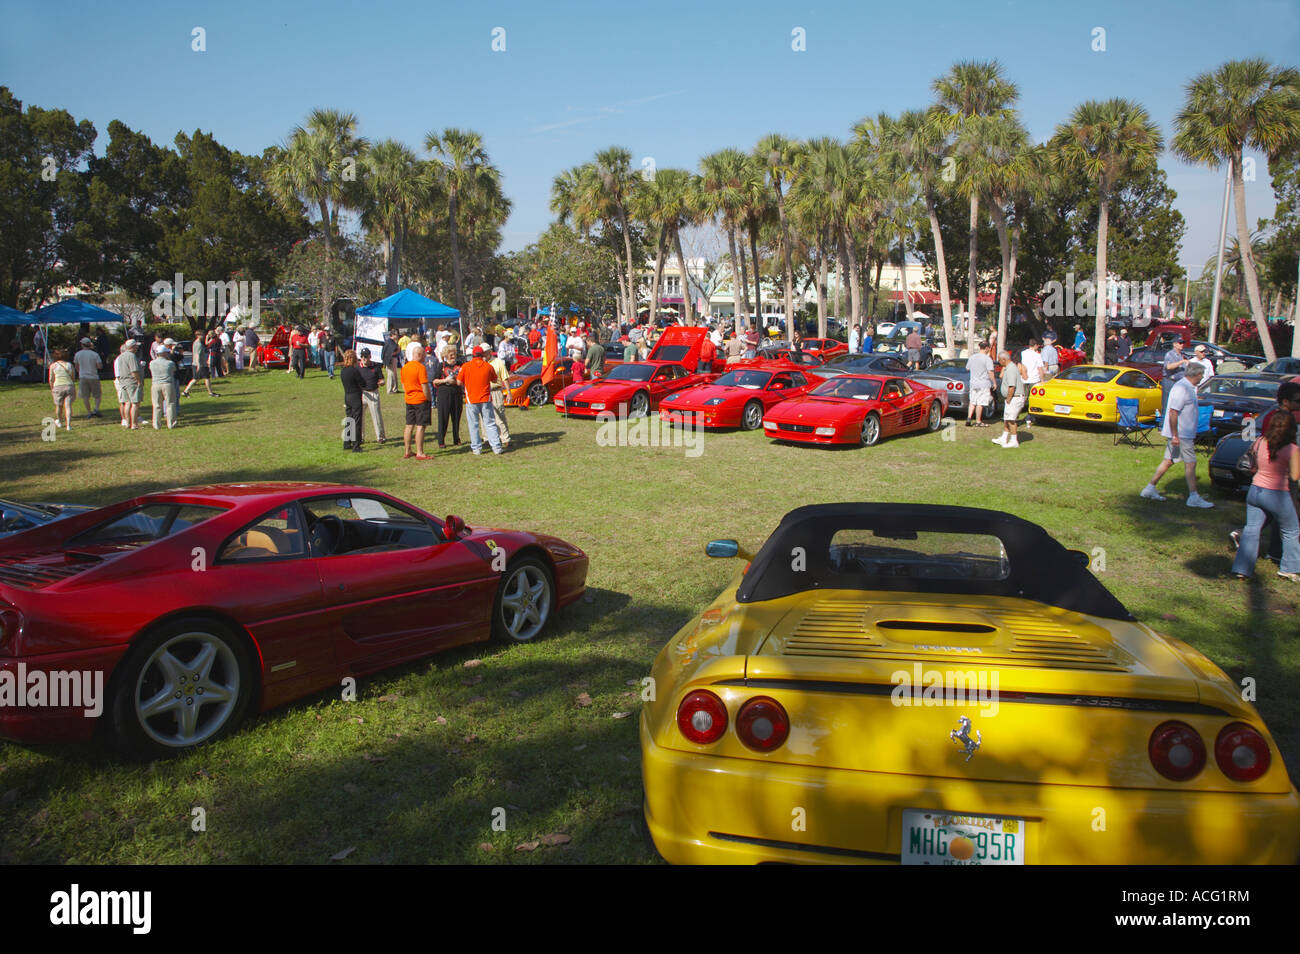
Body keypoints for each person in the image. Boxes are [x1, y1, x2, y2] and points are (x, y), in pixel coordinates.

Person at [1230, 411, 1300, 581]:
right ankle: (1289, 568)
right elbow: (1295, 476)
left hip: (1255, 490)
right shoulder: (1292, 449)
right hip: (1279, 494)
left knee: (1251, 530)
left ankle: (1242, 568)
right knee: (1291, 530)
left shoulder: (1260, 441)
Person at [1140, 363, 1212, 508]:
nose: (1202, 377)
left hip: (1182, 433)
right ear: (1195, 374)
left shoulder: (1189, 388)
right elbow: (1173, 412)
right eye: (1201, 375)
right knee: (1191, 463)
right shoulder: (1182, 388)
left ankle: (1149, 488)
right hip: (1181, 433)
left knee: (1169, 461)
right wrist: (1175, 435)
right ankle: (1193, 497)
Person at [459, 344, 504, 455]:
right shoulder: (488, 366)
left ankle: (477, 448)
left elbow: (459, 382)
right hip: (485, 399)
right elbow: (494, 379)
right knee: (490, 423)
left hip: (471, 400)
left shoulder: (465, 366)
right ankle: (496, 447)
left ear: (472, 355)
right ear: (483, 354)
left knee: (473, 425)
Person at [400, 342, 433, 460]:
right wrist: (429, 399)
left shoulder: (405, 367)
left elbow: (403, 385)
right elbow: (424, 386)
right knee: (421, 426)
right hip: (420, 400)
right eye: (423, 355)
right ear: (420, 355)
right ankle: (420, 452)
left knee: (409, 425)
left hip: (409, 399)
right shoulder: (421, 368)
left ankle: (407, 450)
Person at [992, 350, 1025, 448]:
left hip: (1014, 398)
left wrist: (1009, 398)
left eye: (999, 360)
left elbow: (1012, 386)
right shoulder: (1008, 367)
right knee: (1007, 418)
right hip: (1011, 398)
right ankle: (1004, 438)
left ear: (1004, 359)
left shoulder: (1011, 369)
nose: (998, 362)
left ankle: (1014, 441)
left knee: (1011, 420)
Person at [433, 344, 464, 448]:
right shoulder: (441, 366)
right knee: (443, 417)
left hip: (457, 393)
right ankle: (441, 440)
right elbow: (435, 381)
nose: (452, 356)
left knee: (456, 417)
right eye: (450, 355)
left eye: (454, 354)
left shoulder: (460, 365)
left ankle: (456, 438)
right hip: (444, 394)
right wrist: (445, 380)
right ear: (446, 355)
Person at [356, 348, 386, 445]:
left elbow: (382, 379)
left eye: (365, 356)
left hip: (373, 392)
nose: (363, 358)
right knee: (360, 416)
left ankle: (380, 436)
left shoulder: (376, 367)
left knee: (376, 415)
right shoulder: (358, 368)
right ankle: (360, 437)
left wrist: (381, 382)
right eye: (362, 356)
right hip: (362, 394)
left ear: (370, 356)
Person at [114, 339, 143, 429]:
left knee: (127, 403)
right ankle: (134, 424)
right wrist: (139, 381)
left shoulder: (121, 356)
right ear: (132, 347)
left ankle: (127, 423)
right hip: (131, 381)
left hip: (123, 381)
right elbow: (134, 370)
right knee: (135, 403)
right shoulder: (132, 356)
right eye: (136, 346)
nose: (137, 347)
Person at [965, 341, 995, 427]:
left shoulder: (972, 357)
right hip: (983, 383)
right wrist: (994, 382)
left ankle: (969, 418)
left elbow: (967, 368)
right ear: (986, 348)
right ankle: (978, 421)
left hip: (973, 383)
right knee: (980, 403)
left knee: (972, 402)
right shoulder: (987, 359)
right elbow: (990, 372)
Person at [486, 346, 512, 448]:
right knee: (485, 417)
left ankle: (505, 438)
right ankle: (487, 439)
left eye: (485, 352)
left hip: (496, 391)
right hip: (485, 392)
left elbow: (505, 378)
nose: (484, 355)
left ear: (490, 352)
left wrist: (509, 392)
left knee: (499, 415)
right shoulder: (481, 363)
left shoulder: (498, 362)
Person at [340, 350, 365, 452]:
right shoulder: (354, 371)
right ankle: (356, 445)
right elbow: (362, 383)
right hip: (355, 397)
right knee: (357, 421)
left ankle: (346, 442)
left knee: (349, 420)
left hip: (347, 396)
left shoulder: (343, 371)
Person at [149, 343, 178, 429]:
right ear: (164, 353)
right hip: (167, 383)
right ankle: (171, 423)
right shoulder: (170, 363)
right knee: (170, 403)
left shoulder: (152, 363)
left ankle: (156, 424)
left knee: (156, 405)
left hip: (155, 384)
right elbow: (174, 370)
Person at [74, 337, 103, 418]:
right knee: (97, 395)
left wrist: (80, 372)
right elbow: (99, 366)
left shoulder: (78, 354)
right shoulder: (95, 354)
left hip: (83, 376)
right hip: (93, 376)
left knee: (85, 396)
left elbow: (76, 366)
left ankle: (89, 412)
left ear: (82, 345)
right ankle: (96, 408)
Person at [48, 348, 76, 430]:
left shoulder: (53, 366)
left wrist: (52, 388)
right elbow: (73, 377)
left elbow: (51, 379)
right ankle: (68, 425)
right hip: (69, 385)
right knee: (68, 406)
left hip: (58, 386)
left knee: (59, 406)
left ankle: (59, 421)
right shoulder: (69, 365)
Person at [1161, 339, 1189, 412]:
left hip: (1179, 382)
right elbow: (1168, 367)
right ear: (1174, 344)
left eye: (1183, 343)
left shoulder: (1182, 355)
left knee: (1177, 404)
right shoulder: (1170, 354)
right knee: (1167, 405)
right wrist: (1181, 362)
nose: (1182, 344)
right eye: (1180, 343)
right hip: (1170, 381)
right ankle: (1163, 422)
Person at [382, 329, 402, 394]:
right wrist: (398, 351)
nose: (397, 336)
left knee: (394, 375)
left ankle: (394, 389)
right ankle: (390, 390)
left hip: (390, 360)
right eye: (396, 334)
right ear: (392, 335)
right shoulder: (390, 342)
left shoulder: (389, 342)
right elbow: (391, 353)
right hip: (391, 360)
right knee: (391, 375)